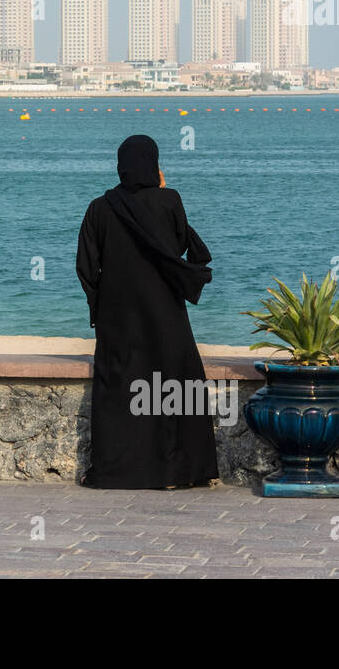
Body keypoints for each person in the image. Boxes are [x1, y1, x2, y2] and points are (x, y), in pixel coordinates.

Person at [75, 134, 218, 489]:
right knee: (172, 384)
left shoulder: (99, 207)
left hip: (117, 316)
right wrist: (162, 191)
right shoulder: (170, 200)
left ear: (121, 165)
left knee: (119, 388)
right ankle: (177, 472)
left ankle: (118, 471)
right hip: (164, 311)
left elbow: (86, 266)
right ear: (153, 164)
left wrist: (98, 306)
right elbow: (181, 245)